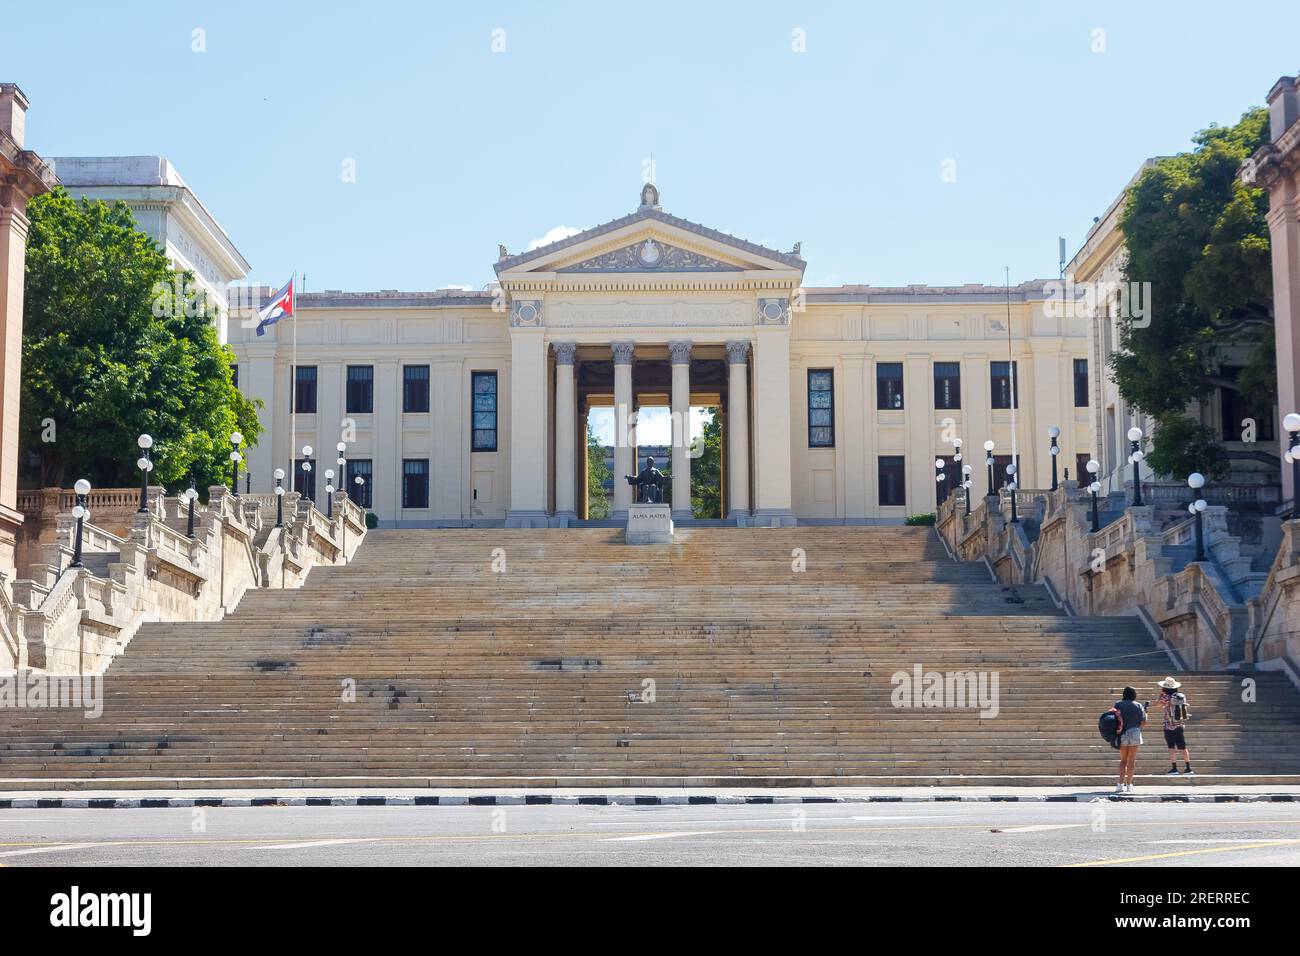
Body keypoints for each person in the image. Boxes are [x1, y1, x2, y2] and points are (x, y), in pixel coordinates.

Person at [1155, 677, 1193, 775]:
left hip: (1168, 725)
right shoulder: (1180, 696)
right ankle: (1188, 768)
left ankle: (1174, 768)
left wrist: (1161, 696)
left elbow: (1157, 705)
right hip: (1179, 724)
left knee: (1171, 747)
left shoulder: (1165, 697)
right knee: (1183, 747)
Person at [1113, 686, 1146, 793]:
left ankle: (1120, 785)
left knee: (1123, 760)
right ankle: (1129, 785)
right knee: (1131, 760)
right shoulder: (1139, 705)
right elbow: (1143, 722)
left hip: (1122, 733)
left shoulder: (1118, 704)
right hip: (1135, 732)